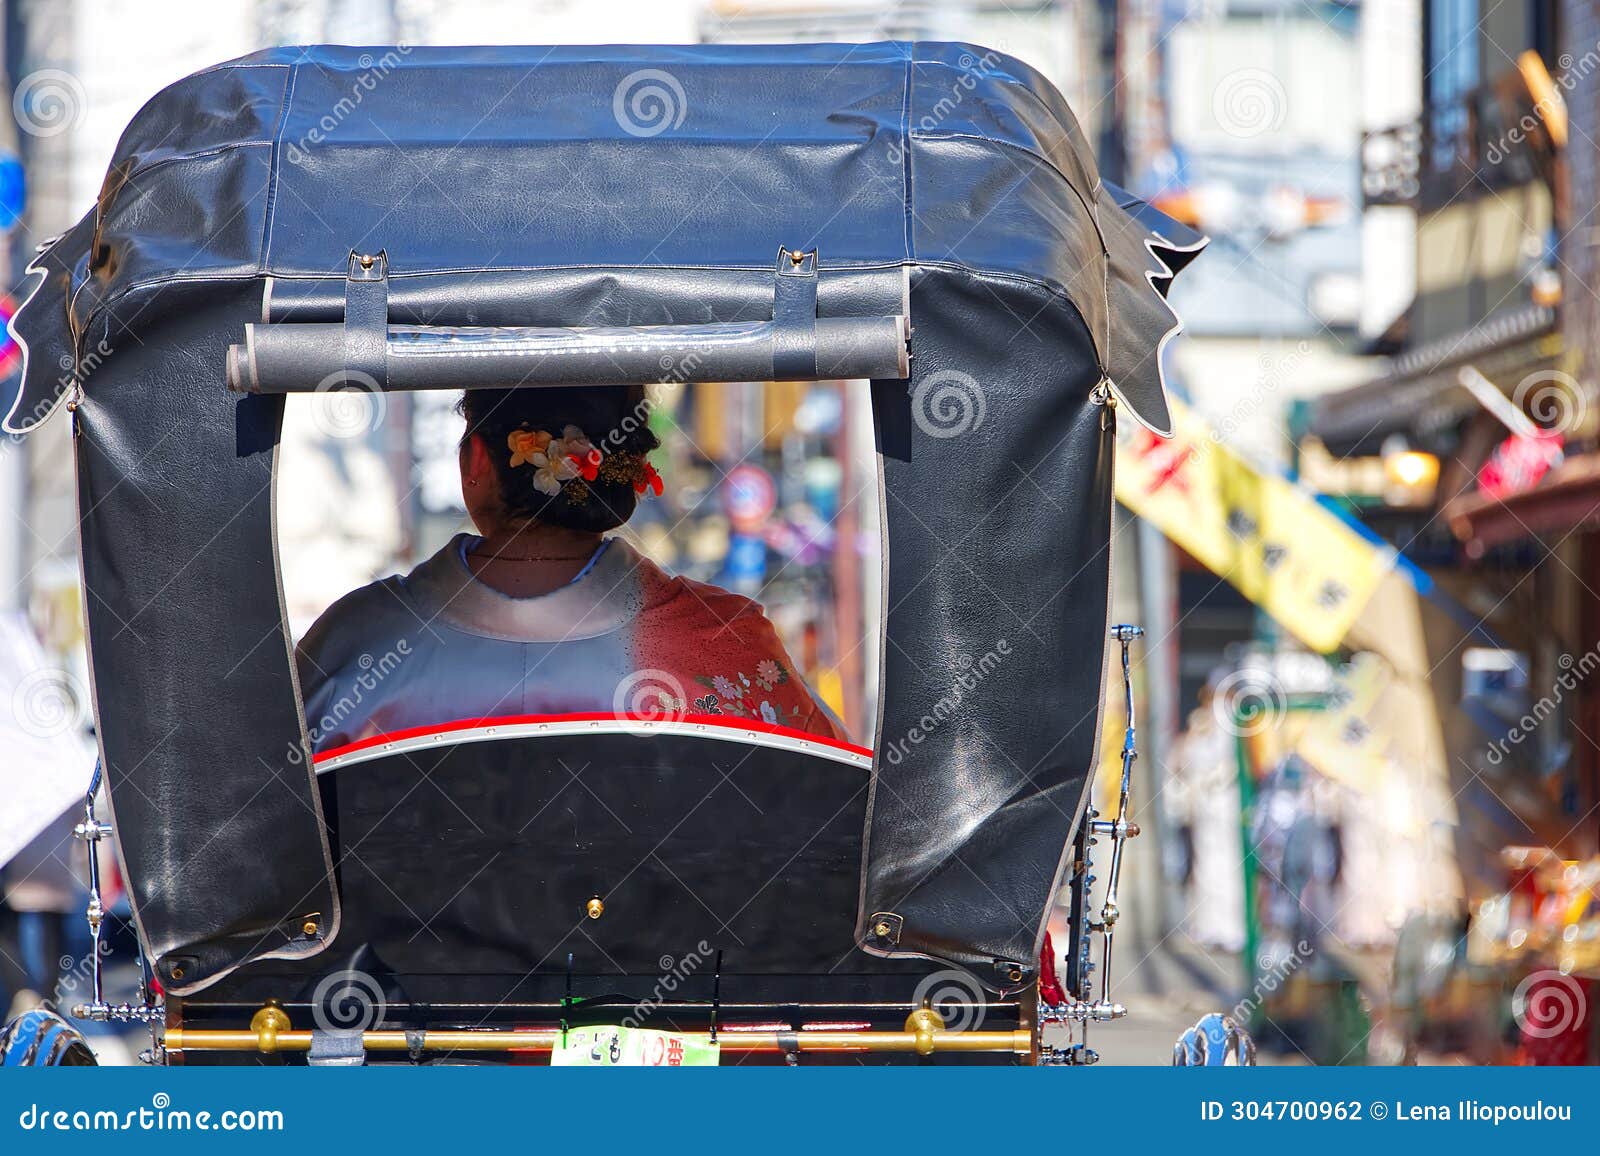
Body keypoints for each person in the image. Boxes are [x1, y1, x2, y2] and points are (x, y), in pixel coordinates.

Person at [296, 385, 847, 752]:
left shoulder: (353, 646)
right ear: (633, 477)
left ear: (476, 464)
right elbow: (834, 815)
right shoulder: (731, 646)